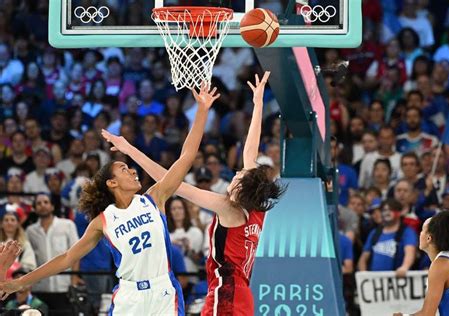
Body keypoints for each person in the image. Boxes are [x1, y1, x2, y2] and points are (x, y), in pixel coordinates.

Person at [0, 83, 219, 316]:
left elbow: (186, 158)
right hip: (128, 296)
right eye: (124, 169)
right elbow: (66, 259)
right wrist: (20, 283)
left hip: (163, 291)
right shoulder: (103, 221)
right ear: (111, 183)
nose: (133, 172)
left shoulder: (154, 198)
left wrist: (202, 111)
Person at [101, 72, 286, 315]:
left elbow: (171, 182)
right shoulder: (255, 207)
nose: (236, 175)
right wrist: (258, 103)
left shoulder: (227, 206)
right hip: (241, 293)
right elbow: (251, 151)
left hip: (226, 292)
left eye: (238, 176)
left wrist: (129, 150)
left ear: (240, 189)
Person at [393, 208, 449, 316]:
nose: (419, 234)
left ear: (429, 238)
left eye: (422, 230)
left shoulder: (441, 265)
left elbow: (427, 314)